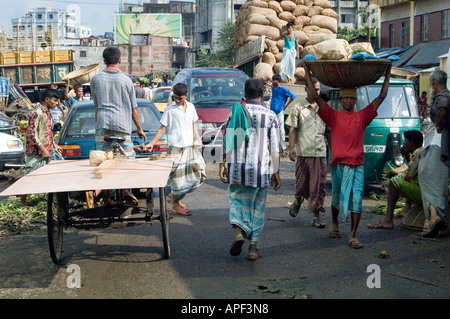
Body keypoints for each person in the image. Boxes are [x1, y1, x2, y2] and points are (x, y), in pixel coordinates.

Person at [303, 62, 391, 249]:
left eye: (352, 98)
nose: (349, 101)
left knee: (357, 200)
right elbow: (315, 97)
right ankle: (334, 223)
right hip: (338, 165)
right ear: (341, 101)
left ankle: (352, 235)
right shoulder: (333, 116)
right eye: (346, 99)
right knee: (336, 198)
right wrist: (307, 72)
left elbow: (382, 96)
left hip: (357, 165)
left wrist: (388, 72)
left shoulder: (363, 116)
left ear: (355, 101)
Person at [219, 78, 282, 261]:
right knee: (257, 208)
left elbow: (227, 140)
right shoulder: (271, 116)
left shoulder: (235, 112)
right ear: (262, 95)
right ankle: (253, 249)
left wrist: (223, 164)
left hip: (237, 167)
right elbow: (275, 147)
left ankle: (238, 232)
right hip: (260, 170)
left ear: (244, 95)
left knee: (237, 202)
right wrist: (276, 172)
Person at [90, 46, 147, 205]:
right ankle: (127, 190)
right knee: (128, 158)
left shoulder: (95, 79)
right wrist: (139, 129)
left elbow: (96, 105)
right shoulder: (126, 80)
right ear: (120, 60)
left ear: (104, 61)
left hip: (102, 124)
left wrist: (98, 125)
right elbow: (133, 108)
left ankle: (106, 194)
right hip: (123, 126)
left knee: (103, 160)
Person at [144, 83, 205, 216]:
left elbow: (193, 125)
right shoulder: (170, 109)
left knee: (198, 175)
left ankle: (174, 197)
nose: (177, 101)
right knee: (177, 179)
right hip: (175, 148)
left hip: (189, 147)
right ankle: (176, 206)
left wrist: (198, 139)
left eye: (180, 98)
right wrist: (151, 143)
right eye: (175, 98)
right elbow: (162, 128)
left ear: (186, 96)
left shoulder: (191, 107)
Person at [285, 78, 328, 228]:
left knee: (318, 186)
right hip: (303, 152)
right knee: (302, 184)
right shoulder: (298, 107)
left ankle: (316, 215)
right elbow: (292, 129)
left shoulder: (324, 108)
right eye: (312, 89)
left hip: (320, 153)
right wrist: (291, 149)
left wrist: (334, 151)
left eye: (317, 89)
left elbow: (329, 131)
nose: (315, 92)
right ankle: (298, 199)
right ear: (305, 89)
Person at [368, 130, 424, 230]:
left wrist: (393, 173)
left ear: (411, 142)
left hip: (424, 192)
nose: (404, 144)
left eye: (405, 141)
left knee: (395, 181)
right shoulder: (419, 151)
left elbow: (408, 175)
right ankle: (406, 209)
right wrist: (406, 156)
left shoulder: (418, 152)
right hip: (424, 188)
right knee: (403, 180)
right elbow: (411, 171)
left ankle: (388, 220)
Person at [418, 70, 450, 238]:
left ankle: (439, 220)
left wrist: (438, 124)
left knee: (436, 181)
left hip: (439, 144)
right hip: (433, 144)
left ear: (433, 83)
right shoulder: (441, 95)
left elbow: (443, 108)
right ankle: (435, 217)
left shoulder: (443, 96)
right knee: (426, 176)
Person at [21, 89, 64, 205]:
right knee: (29, 177)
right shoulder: (37, 112)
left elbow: (47, 132)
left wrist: (54, 145)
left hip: (50, 151)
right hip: (36, 152)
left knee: (62, 171)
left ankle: (65, 201)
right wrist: (43, 149)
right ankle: (23, 199)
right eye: (55, 101)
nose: (56, 103)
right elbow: (31, 134)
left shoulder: (48, 113)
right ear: (47, 99)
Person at [270, 74, 296, 150]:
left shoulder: (283, 89)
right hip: (272, 110)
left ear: (278, 80)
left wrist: (286, 105)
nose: (273, 81)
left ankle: (282, 145)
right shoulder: (273, 88)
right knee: (272, 127)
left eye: (274, 80)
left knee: (281, 128)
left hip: (279, 111)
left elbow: (293, 96)